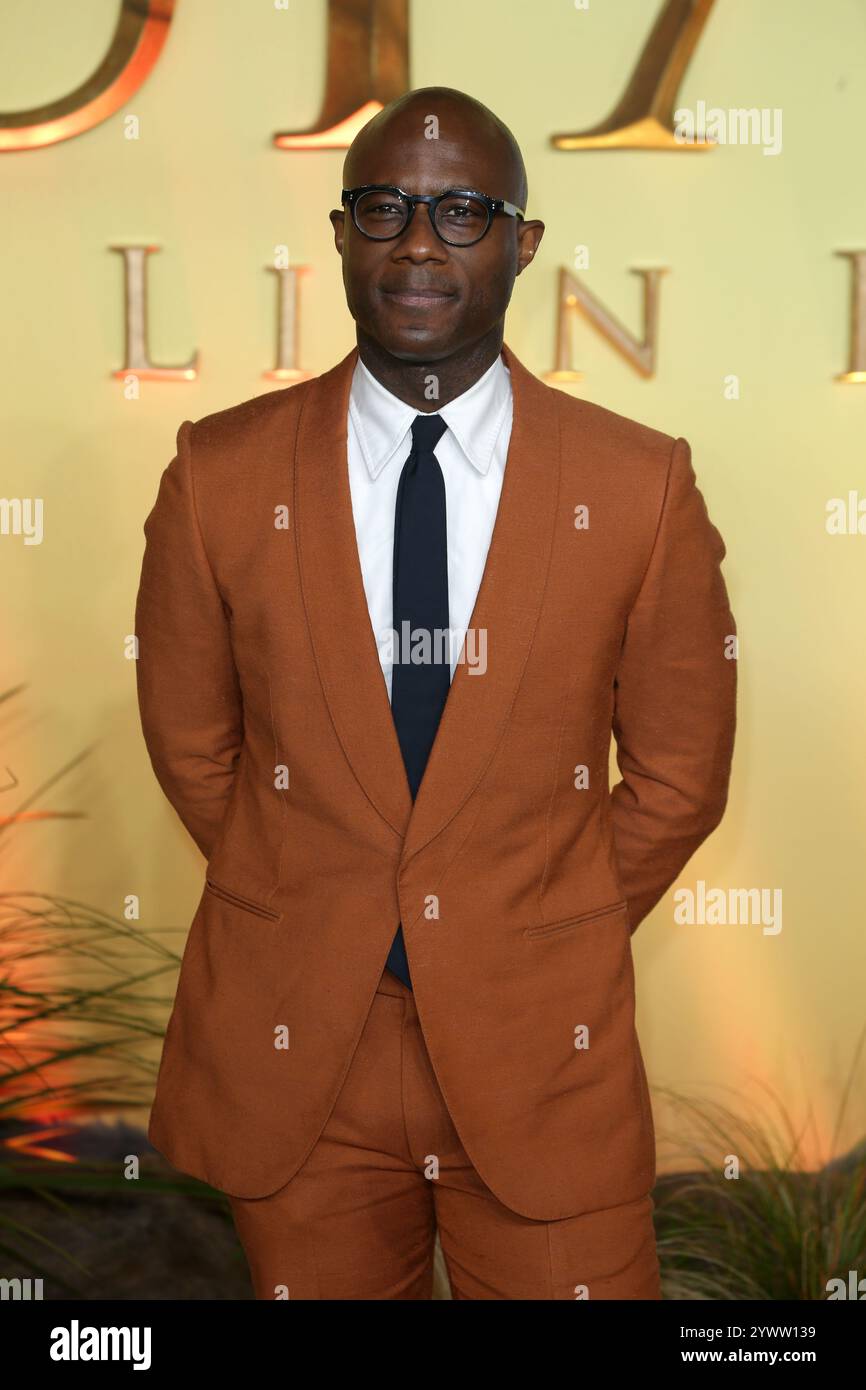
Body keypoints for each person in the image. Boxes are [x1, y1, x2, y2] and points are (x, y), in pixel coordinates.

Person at [134, 85, 737, 1300]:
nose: (417, 240)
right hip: (296, 1051)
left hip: (539, 1053)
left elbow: (677, 780)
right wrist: (329, 898)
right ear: (343, 233)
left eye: (462, 211)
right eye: (384, 207)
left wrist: (522, 928)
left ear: (521, 242)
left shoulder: (636, 485)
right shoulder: (218, 472)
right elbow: (198, 750)